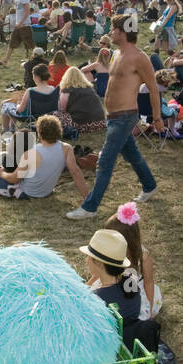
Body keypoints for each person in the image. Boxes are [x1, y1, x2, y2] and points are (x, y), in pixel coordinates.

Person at [66, 13, 161, 219]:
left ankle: (90, 207)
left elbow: (153, 89)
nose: (110, 32)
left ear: (124, 32)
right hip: (113, 116)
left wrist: (157, 118)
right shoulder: (116, 54)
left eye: (113, 30)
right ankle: (150, 186)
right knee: (132, 155)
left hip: (125, 116)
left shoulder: (139, 57)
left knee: (105, 161)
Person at [0, 114, 88, 200]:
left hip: (27, 193)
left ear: (40, 132)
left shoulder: (31, 153)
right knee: (2, 164)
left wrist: (0, 173)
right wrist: (87, 197)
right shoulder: (67, 148)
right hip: (47, 191)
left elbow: (14, 179)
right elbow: (75, 172)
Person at [100, 200, 161, 320]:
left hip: (134, 291)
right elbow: (101, 272)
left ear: (128, 239)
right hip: (114, 286)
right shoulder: (111, 250)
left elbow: (149, 282)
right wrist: (88, 287)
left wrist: (150, 307)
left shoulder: (143, 257)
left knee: (137, 316)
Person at [80, 229, 139, 321]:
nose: (86, 260)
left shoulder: (96, 299)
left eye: (89, 256)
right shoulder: (131, 282)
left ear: (98, 262)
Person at [0, 63, 59, 132]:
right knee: (13, 106)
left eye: (33, 76)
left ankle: (6, 130)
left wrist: (17, 104)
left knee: (5, 104)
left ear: (37, 77)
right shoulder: (53, 89)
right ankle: (12, 128)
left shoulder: (30, 91)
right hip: (46, 115)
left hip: (29, 116)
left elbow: (20, 110)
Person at [56, 65, 106, 132]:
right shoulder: (90, 88)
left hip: (82, 124)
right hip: (100, 123)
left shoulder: (67, 91)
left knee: (56, 115)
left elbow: (62, 109)